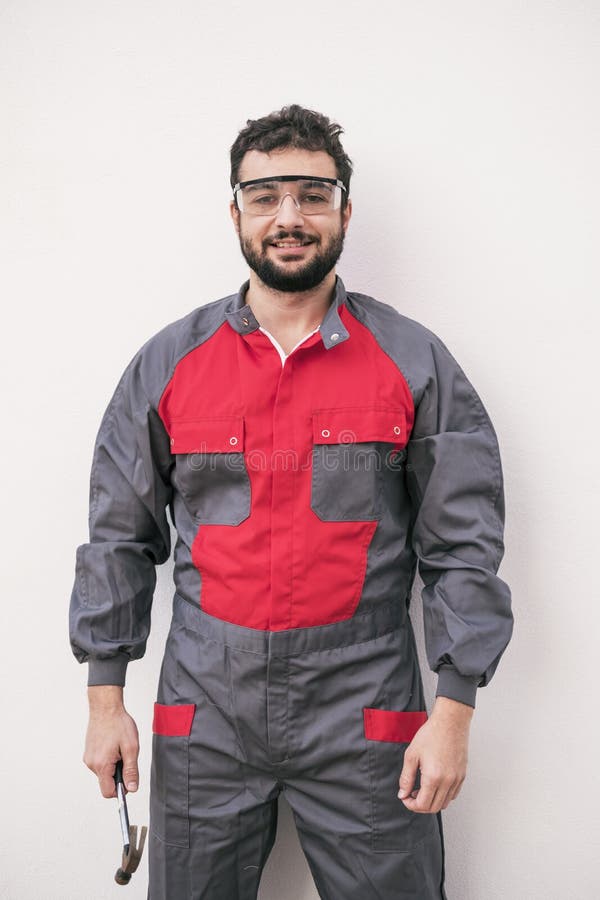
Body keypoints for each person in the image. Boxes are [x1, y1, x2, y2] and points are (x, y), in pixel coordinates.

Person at [70, 104, 513, 899]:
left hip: (367, 713)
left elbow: (462, 546)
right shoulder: (169, 364)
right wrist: (107, 703)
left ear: (345, 210)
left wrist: (453, 715)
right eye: (265, 194)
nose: (289, 216)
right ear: (234, 210)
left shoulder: (412, 361)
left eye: (312, 194)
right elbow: (118, 539)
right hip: (205, 711)